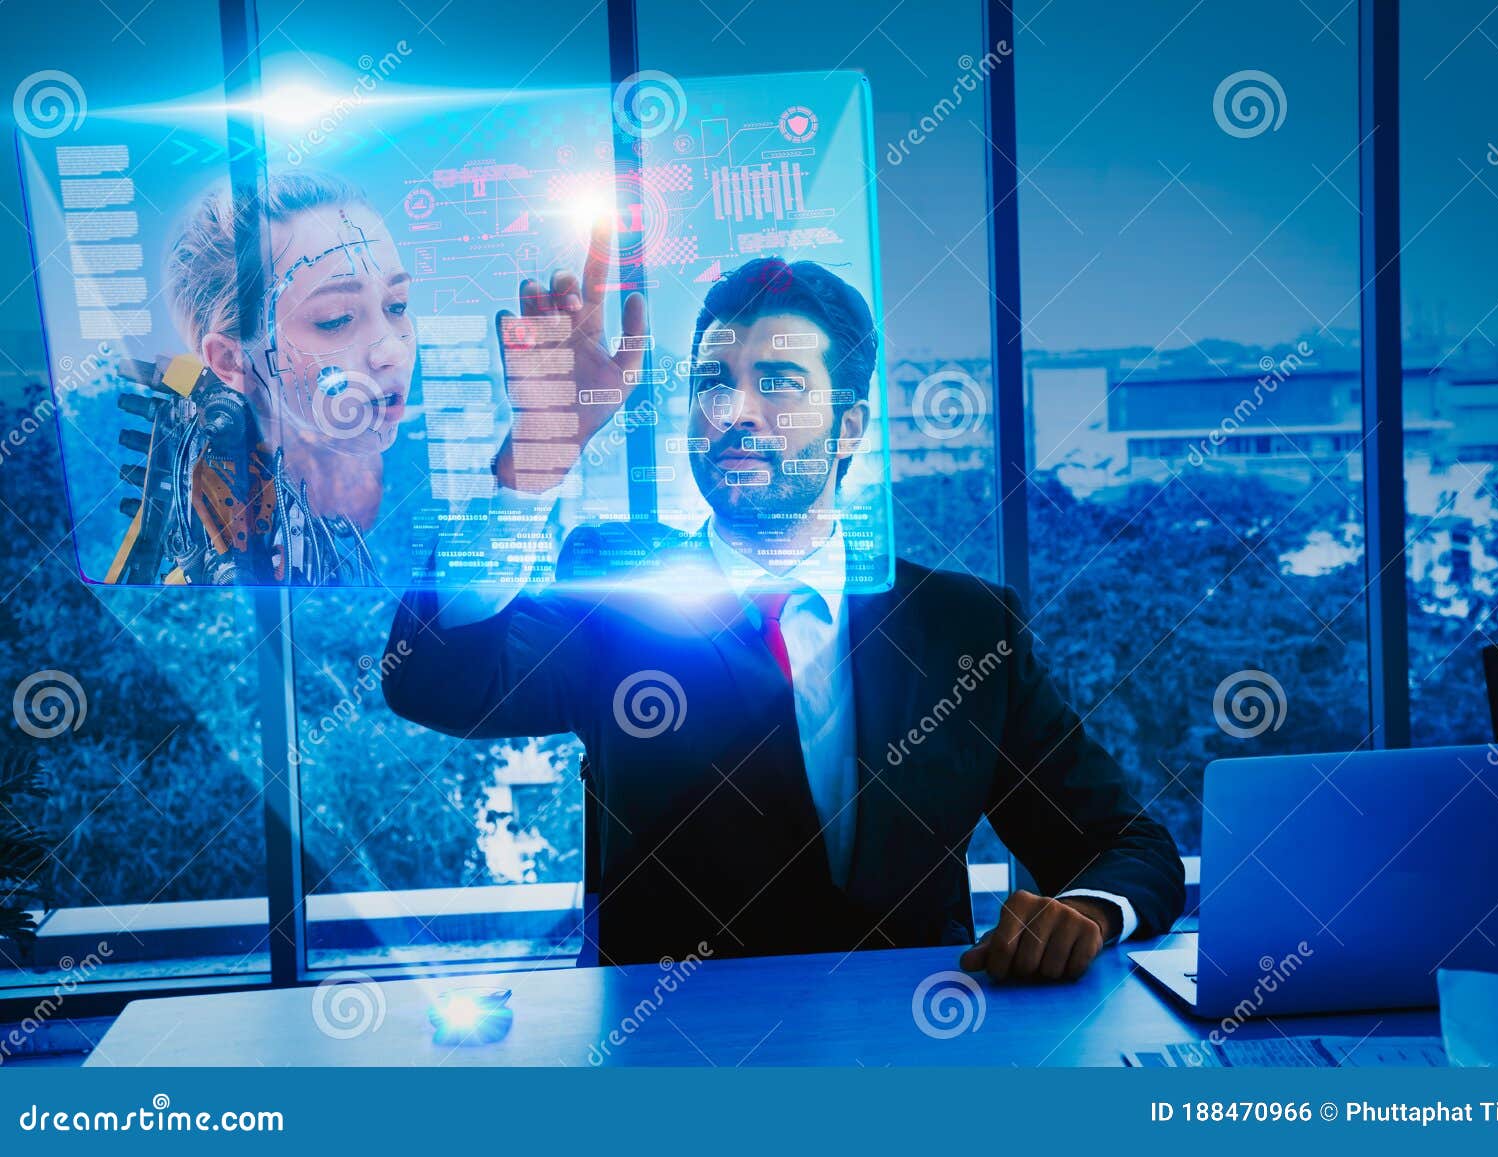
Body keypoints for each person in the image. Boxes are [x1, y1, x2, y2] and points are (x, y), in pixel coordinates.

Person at [383, 234, 1184, 979]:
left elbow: (1124, 844)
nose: (734, 412)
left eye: (777, 383)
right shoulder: (619, 596)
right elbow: (438, 681)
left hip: (915, 1049)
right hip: (677, 1058)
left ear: (849, 427)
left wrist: (1088, 911)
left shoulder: (963, 627)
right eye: (713, 383)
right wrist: (535, 456)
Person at [158, 171, 413, 584]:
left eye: (397, 306)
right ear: (231, 360)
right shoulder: (209, 529)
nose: (394, 351)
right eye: (335, 319)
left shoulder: (434, 478)